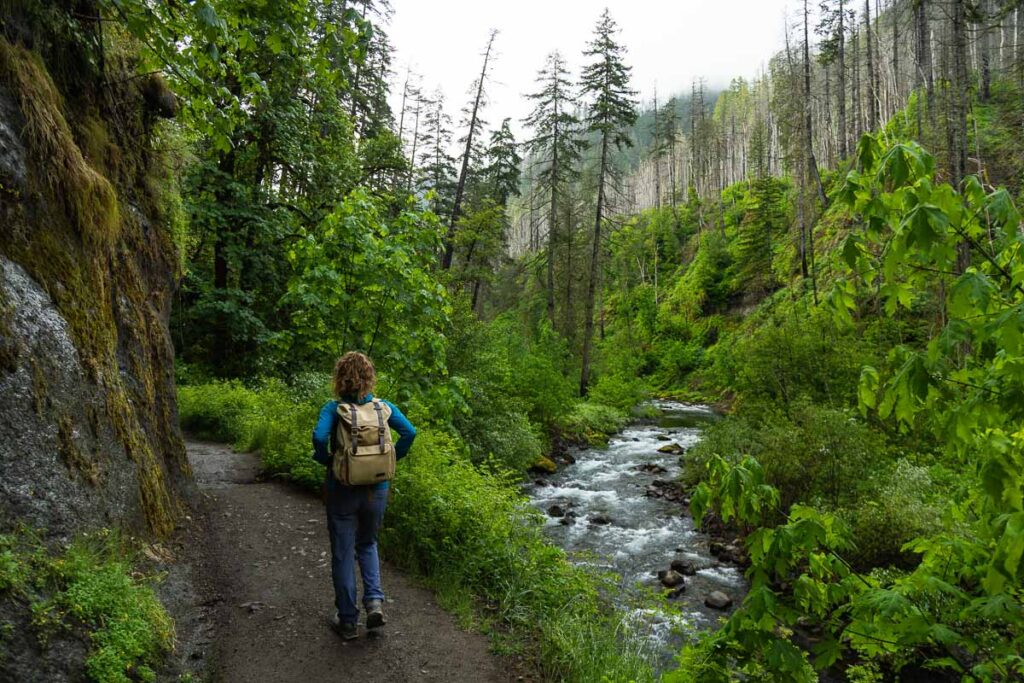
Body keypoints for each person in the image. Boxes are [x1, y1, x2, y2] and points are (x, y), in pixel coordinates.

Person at [312, 351, 416, 640]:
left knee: (343, 552)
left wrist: (327, 460)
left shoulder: (334, 410)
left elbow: (320, 438)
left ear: (339, 380)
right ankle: (373, 604)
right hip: (377, 489)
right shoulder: (385, 408)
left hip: (342, 488)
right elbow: (410, 433)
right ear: (370, 378)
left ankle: (347, 621)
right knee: (368, 544)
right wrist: (392, 460)